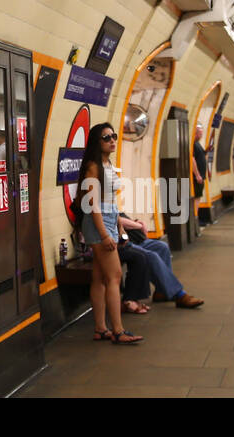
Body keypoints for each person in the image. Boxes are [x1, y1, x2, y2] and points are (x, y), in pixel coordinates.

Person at [76, 123, 144, 344]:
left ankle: (100, 329)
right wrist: (105, 234)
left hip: (109, 220)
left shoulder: (107, 163)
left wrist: (119, 227)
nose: (112, 140)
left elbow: (112, 201)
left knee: (100, 278)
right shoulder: (93, 166)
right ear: (97, 141)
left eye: (114, 136)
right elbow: (93, 205)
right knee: (115, 277)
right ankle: (118, 330)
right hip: (98, 223)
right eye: (106, 137)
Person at [118, 214, 205, 309]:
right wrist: (139, 226)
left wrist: (135, 223)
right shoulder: (100, 206)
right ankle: (178, 294)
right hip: (121, 243)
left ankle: (161, 292)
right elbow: (117, 220)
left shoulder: (110, 203)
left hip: (134, 239)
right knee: (151, 256)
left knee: (162, 247)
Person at [191, 124, 210, 233]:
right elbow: (192, 160)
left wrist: (206, 151)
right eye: (200, 134)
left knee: (198, 198)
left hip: (201, 176)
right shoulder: (193, 143)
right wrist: (197, 175)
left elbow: (200, 156)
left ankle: (196, 219)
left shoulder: (197, 144)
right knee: (196, 198)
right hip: (197, 177)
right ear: (196, 133)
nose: (201, 136)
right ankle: (195, 220)